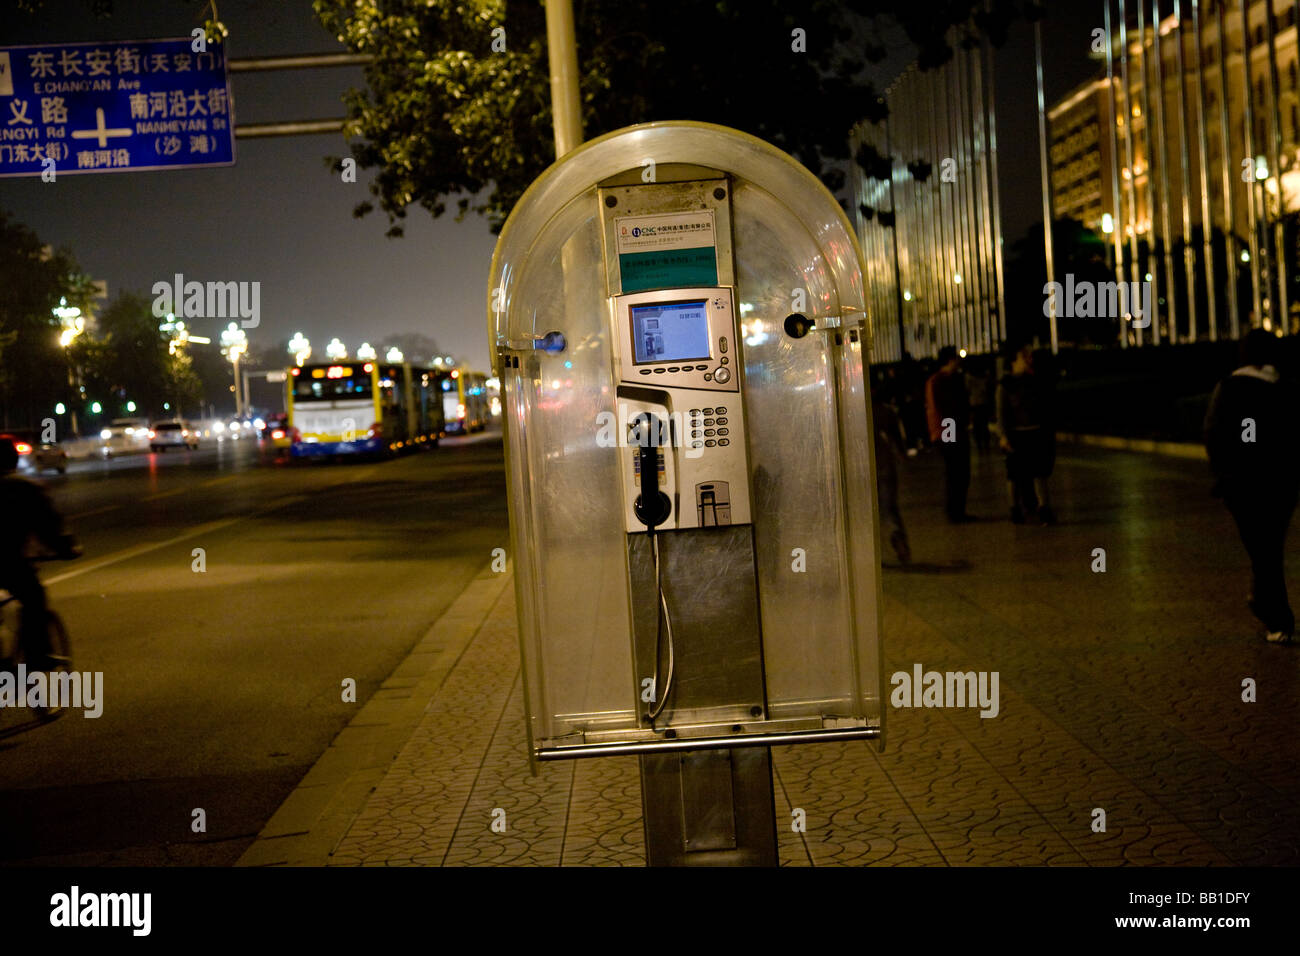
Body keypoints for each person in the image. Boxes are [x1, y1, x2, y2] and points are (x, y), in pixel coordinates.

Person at [1203, 329, 1300, 644]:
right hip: (1279, 484)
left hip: (1241, 485)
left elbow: (1214, 435)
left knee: (1262, 550)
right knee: (1268, 548)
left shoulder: (1228, 389)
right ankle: (1270, 609)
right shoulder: (1283, 388)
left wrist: (1225, 473)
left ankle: (1277, 616)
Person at [0, 438, 79, 670]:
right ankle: (38, 655)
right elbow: (48, 527)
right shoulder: (23, 489)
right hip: (10, 564)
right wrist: (67, 549)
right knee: (34, 597)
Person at [995, 344, 1057, 524]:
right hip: (1017, 435)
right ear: (1014, 361)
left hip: (1036, 433)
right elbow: (1002, 413)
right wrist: (1003, 436)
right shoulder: (1006, 385)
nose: (1030, 360)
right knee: (1014, 474)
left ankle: (1044, 508)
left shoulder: (1035, 380)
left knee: (1040, 473)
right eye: (1025, 357)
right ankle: (1015, 509)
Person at [925, 346, 972, 523]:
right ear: (950, 360)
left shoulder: (950, 379)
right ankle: (955, 512)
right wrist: (952, 436)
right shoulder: (939, 381)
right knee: (956, 472)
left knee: (959, 472)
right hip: (948, 432)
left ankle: (958, 510)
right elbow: (943, 409)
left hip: (953, 431)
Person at [871, 384, 911, 563]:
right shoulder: (885, 411)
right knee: (890, 508)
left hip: (863, 468)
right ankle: (896, 534)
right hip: (885, 463)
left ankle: (875, 552)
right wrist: (902, 454)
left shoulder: (854, 414)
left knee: (868, 513)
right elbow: (896, 438)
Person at [966, 359, 994, 452]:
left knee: (977, 425)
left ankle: (980, 444)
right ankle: (985, 443)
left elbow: (967, 391)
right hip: (983, 403)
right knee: (983, 425)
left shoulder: (969, 378)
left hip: (975, 404)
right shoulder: (985, 377)